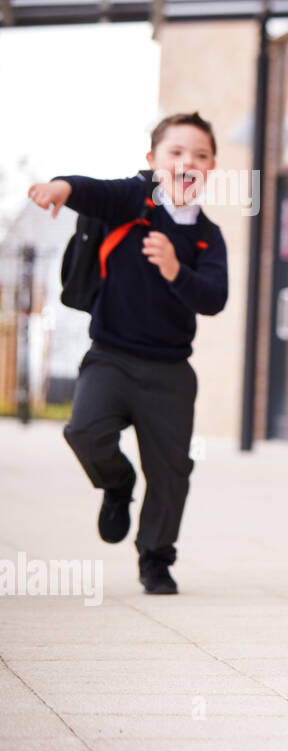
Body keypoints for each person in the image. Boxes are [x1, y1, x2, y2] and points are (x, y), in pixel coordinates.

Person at [26, 112, 229, 595]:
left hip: (171, 370)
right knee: (84, 431)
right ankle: (118, 485)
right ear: (152, 161)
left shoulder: (208, 236)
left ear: (213, 167)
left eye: (200, 156)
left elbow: (214, 299)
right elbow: (90, 189)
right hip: (110, 358)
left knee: (172, 470)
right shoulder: (130, 201)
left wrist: (177, 269)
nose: (187, 163)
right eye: (175, 153)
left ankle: (156, 558)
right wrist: (60, 187)